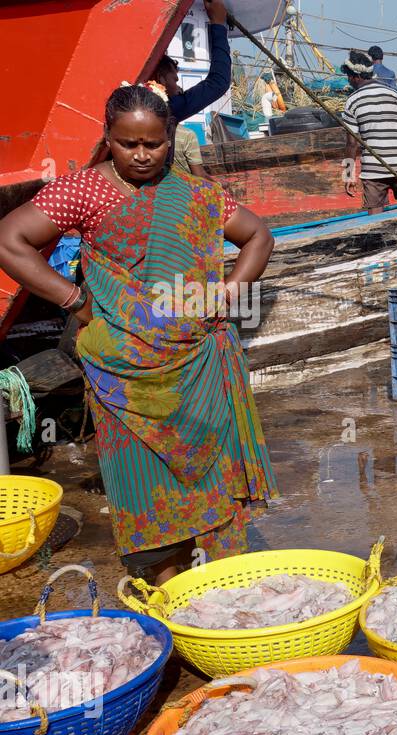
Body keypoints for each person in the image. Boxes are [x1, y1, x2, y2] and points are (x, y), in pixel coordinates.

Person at [0, 83, 275, 584]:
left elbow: (258, 235)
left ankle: (224, 605)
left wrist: (228, 292)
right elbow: (10, 240)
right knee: (143, 489)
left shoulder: (195, 191)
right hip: (122, 374)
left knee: (214, 484)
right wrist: (77, 302)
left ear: (171, 137)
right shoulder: (82, 189)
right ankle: (167, 598)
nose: (142, 155)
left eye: (154, 143)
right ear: (108, 137)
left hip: (198, 367)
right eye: (128, 143)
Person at [340, 51, 397, 213]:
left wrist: (348, 175)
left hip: (373, 172)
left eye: (348, 76)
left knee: (375, 217)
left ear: (356, 76)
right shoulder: (394, 95)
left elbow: (351, 143)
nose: (348, 80)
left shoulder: (352, 101)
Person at [156, 0, 231, 123]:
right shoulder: (164, 111)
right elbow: (218, 82)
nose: (179, 88)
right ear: (161, 80)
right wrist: (218, 24)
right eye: (174, 80)